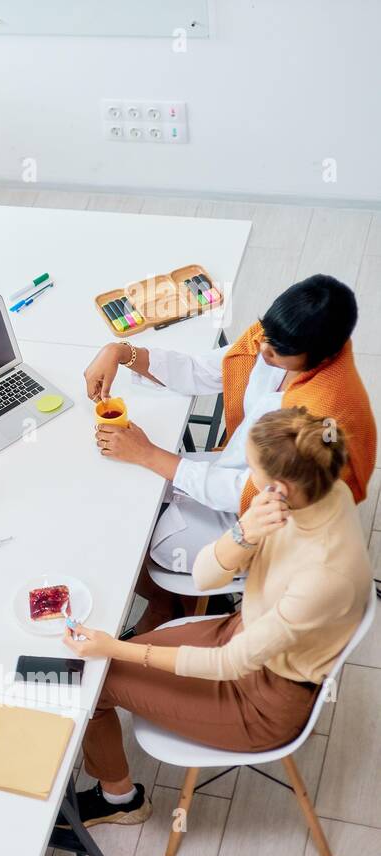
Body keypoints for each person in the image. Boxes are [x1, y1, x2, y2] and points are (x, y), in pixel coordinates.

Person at [60, 407, 372, 827]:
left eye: (252, 472)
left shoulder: (321, 577)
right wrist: (244, 532)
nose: (248, 483)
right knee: (110, 660)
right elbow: (205, 576)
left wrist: (113, 646)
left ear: (279, 486)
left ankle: (121, 800)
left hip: (261, 698)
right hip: (246, 631)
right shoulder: (321, 490)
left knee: (96, 678)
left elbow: (229, 665)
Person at [83, 274, 375, 630]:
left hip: (274, 517)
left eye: (277, 352)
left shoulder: (320, 416)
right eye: (265, 336)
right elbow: (206, 370)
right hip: (237, 471)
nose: (262, 351)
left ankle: (171, 604)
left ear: (321, 357)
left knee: (142, 533)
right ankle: (169, 603)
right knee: (132, 494)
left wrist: (151, 456)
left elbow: (253, 492)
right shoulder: (276, 338)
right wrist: (122, 352)